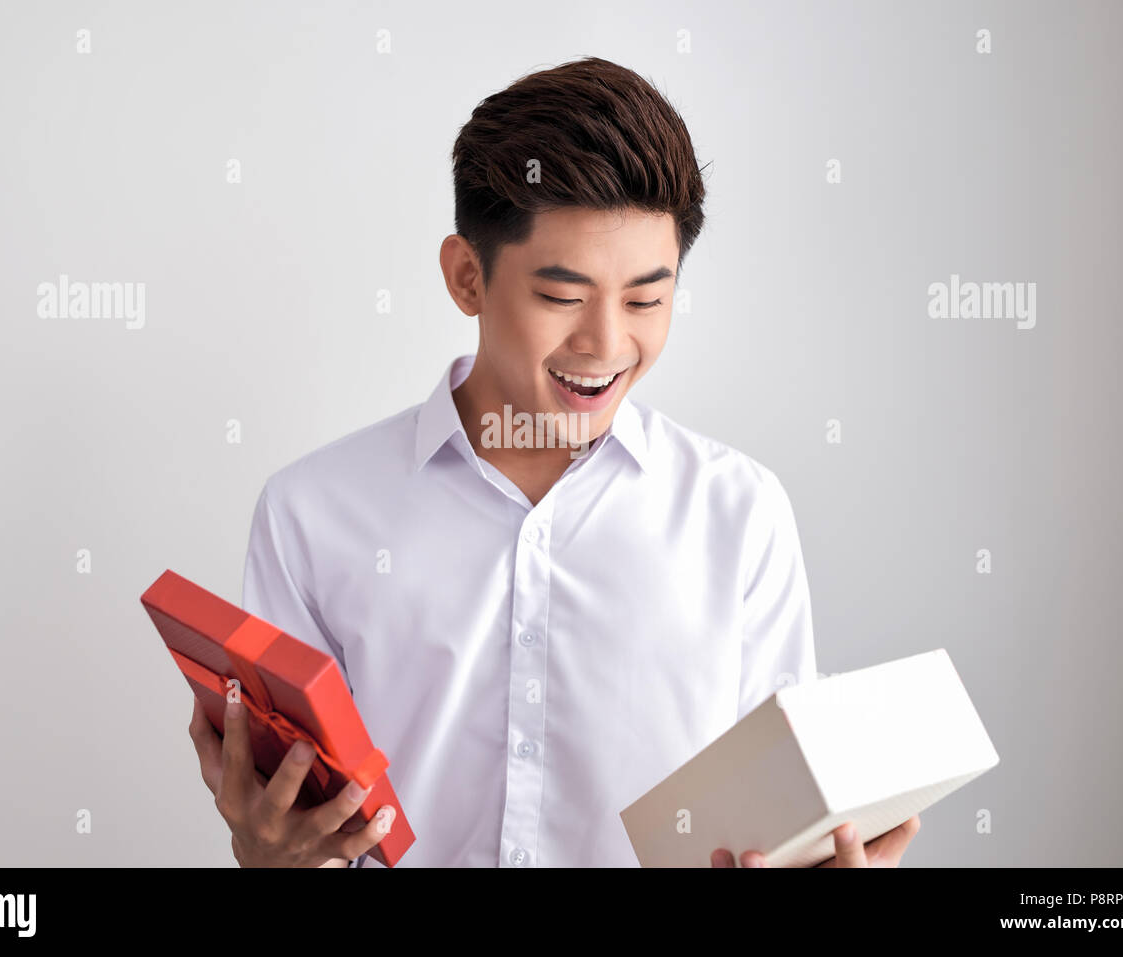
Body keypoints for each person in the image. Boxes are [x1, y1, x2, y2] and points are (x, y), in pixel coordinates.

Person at [188, 55, 920, 868]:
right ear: (468, 276)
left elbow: (781, 823)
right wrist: (268, 858)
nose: (607, 344)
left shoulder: (741, 515)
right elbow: (299, 826)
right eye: (563, 297)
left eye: (647, 298)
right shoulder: (312, 513)